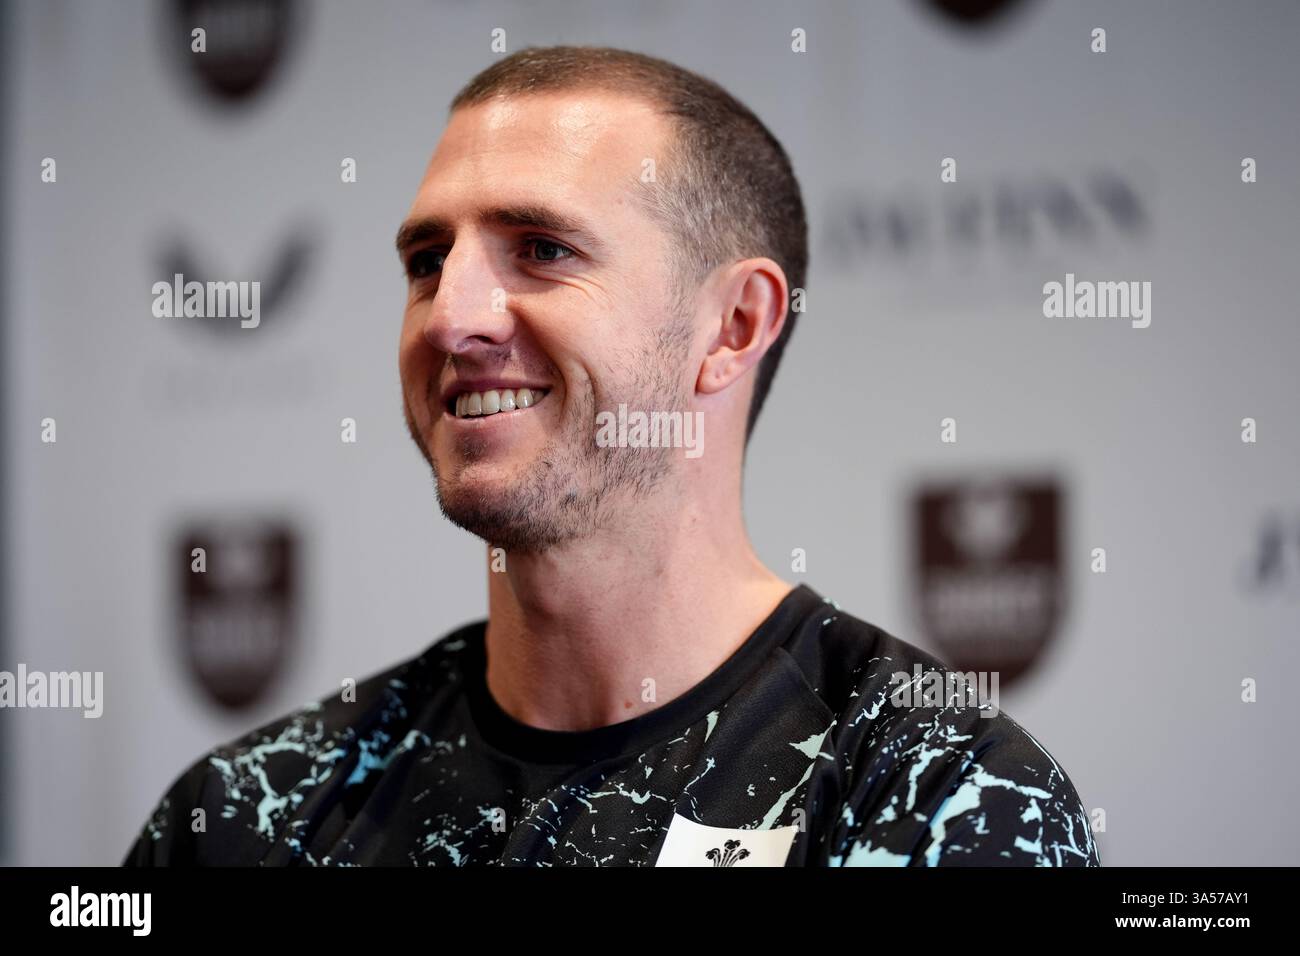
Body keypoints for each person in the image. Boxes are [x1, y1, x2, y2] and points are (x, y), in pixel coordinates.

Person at [124, 45, 1098, 867]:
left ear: (733, 325)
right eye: (428, 262)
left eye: (542, 249)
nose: (450, 317)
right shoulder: (250, 812)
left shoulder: (936, 796)